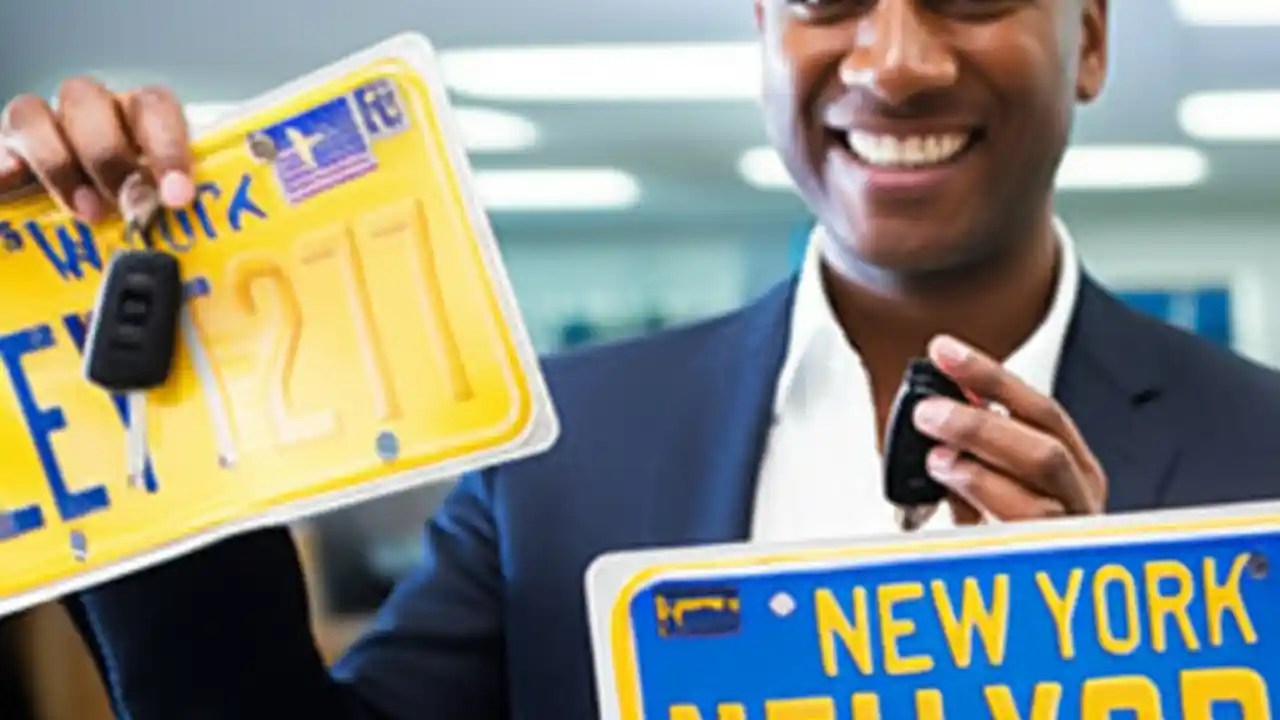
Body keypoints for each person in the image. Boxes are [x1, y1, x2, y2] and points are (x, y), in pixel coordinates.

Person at [3, 0, 1279, 717]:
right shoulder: (562, 445)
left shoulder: (1261, 459)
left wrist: (1121, 672)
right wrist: (146, 435)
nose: (893, 61)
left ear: (1092, 40)